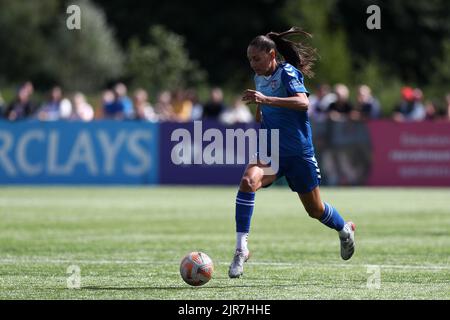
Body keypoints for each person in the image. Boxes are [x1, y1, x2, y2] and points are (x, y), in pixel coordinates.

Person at [228, 27, 356, 278]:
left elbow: (303, 102)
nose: (253, 64)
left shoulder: (287, 72)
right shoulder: (259, 78)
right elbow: (264, 108)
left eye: (257, 59)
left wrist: (265, 100)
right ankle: (241, 248)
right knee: (247, 182)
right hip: (271, 149)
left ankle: (345, 229)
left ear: (272, 54)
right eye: (250, 60)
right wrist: (260, 109)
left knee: (315, 210)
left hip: (298, 153)